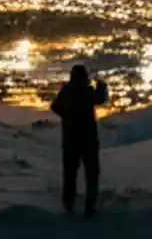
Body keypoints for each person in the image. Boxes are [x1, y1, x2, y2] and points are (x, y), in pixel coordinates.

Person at [50, 65, 109, 216]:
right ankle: (89, 207)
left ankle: (68, 205)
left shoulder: (67, 91)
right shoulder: (86, 91)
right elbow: (101, 98)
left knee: (70, 173)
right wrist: (101, 86)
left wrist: (67, 116)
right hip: (87, 138)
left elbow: (55, 106)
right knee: (91, 173)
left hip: (71, 138)